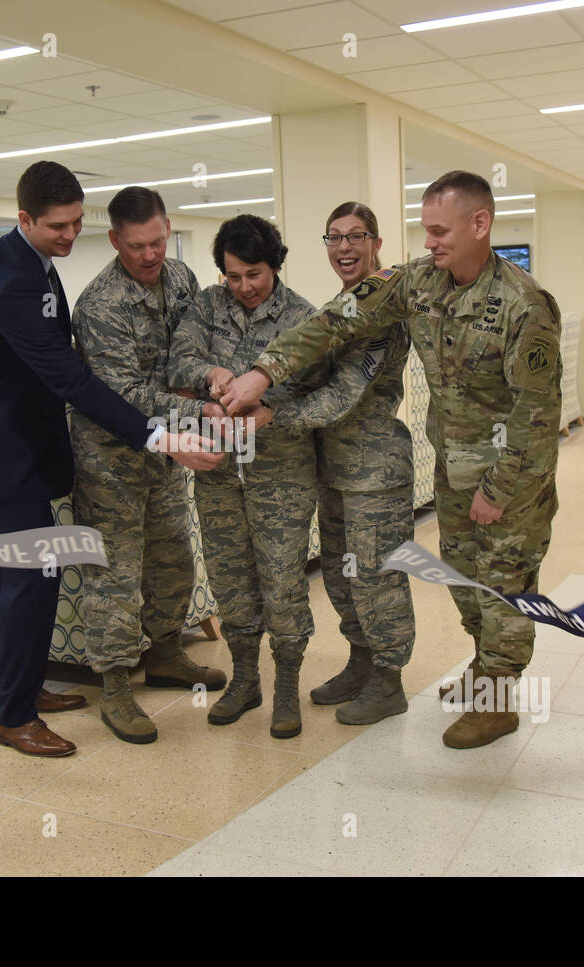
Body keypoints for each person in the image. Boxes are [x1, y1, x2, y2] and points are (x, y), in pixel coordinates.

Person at [222, 170, 562, 749]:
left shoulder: (523, 305)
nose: (428, 242)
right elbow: (333, 322)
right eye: (425, 229)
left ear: (480, 224)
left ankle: (500, 698)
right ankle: (485, 670)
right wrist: (264, 371)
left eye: (438, 230)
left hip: (511, 479)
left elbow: (538, 417)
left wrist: (499, 490)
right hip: (453, 470)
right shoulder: (418, 283)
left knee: (502, 585)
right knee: (462, 581)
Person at [0, 161, 222, 758]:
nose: (70, 236)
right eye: (57, 227)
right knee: (30, 581)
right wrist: (160, 436)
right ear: (25, 219)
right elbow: (74, 378)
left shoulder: (27, 260)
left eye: (76, 223)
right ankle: (14, 717)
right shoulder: (15, 282)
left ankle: (9, 689)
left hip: (13, 446)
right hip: (3, 454)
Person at [69, 186, 228, 744]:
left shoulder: (182, 279)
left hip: (165, 454)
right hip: (110, 458)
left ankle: (164, 655)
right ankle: (115, 686)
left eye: (158, 241)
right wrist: (200, 408)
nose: (150, 255)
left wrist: (213, 375)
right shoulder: (99, 305)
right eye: (137, 246)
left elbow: (192, 348)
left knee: (173, 557)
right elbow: (125, 394)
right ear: (114, 240)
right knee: (115, 575)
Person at [166, 214, 320, 739]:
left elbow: (316, 389)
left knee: (282, 583)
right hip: (219, 475)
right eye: (233, 276)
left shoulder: (303, 317)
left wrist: (268, 407)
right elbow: (179, 360)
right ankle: (246, 680)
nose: (244, 287)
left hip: (281, 475)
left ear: (274, 265)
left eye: (254, 274)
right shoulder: (207, 307)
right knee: (231, 580)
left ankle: (286, 689)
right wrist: (208, 376)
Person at [270, 203, 415, 725]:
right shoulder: (339, 305)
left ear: (377, 242)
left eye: (356, 236)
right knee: (340, 573)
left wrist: (267, 417)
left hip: (375, 471)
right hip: (332, 468)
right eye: (334, 237)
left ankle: (390, 680)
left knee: (378, 578)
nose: (344, 248)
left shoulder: (382, 310)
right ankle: (362, 660)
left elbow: (341, 397)